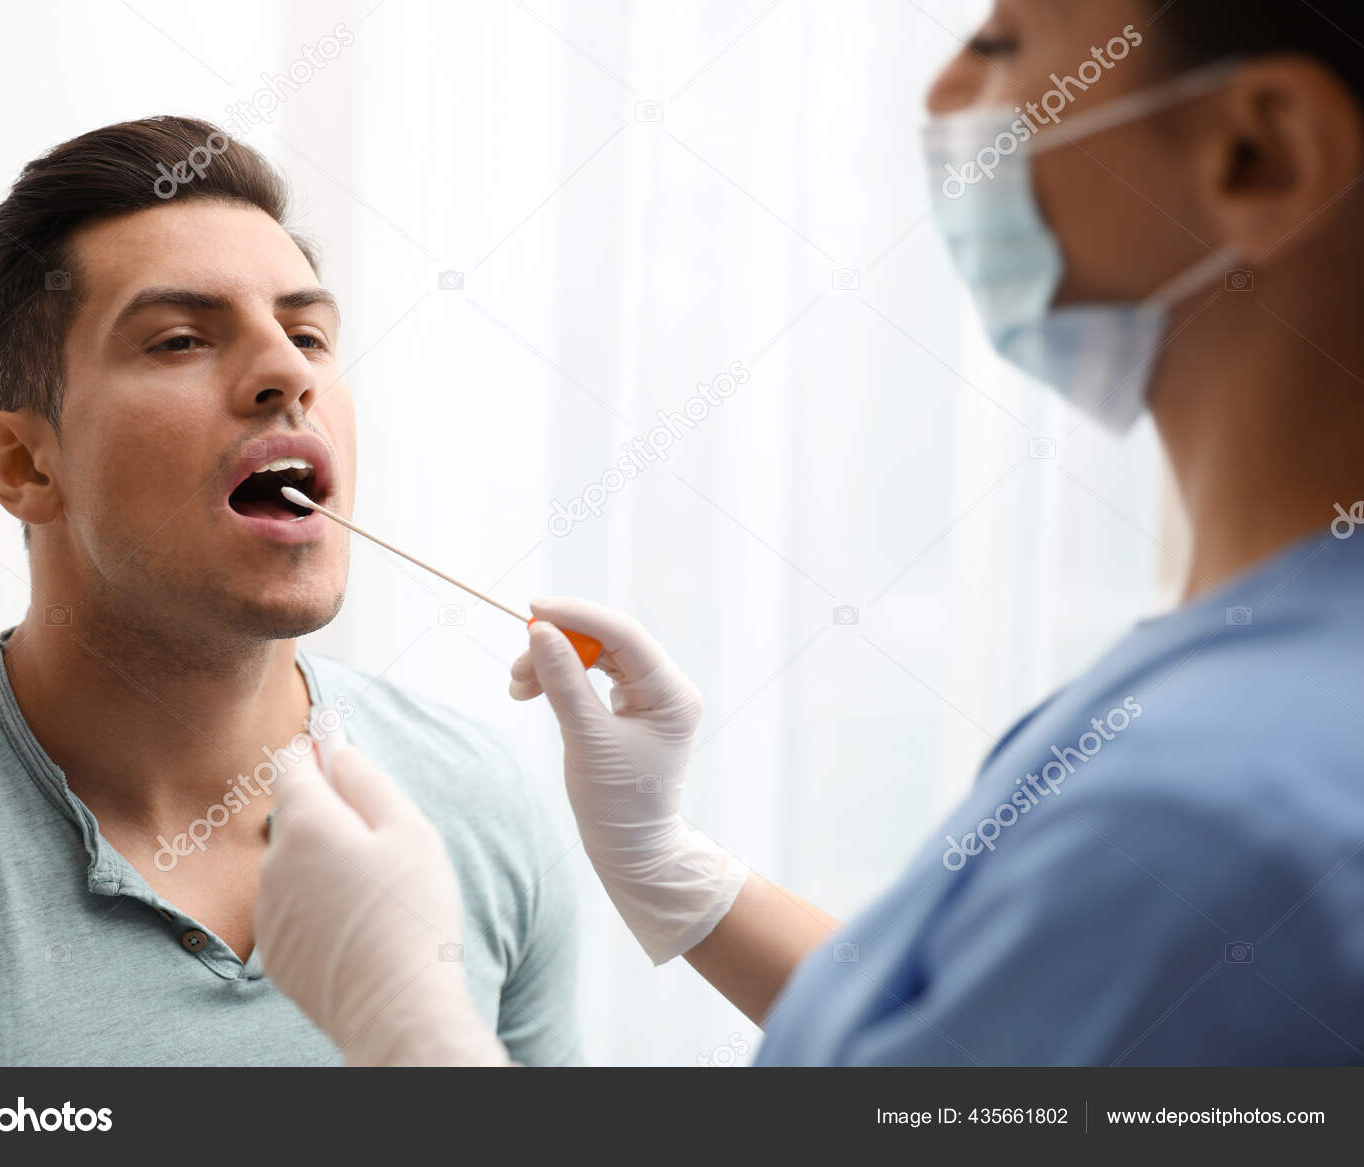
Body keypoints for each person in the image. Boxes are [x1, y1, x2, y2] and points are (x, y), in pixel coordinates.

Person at [252, 0, 1364, 1065]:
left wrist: (411, 1034)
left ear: (1255, 153)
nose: (944, 89)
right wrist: (679, 876)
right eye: (172, 342)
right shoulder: (1255, 708)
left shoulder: (1221, 821)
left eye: (1006, 36)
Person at [0, 117, 579, 1067]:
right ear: (26, 464)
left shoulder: (483, 808)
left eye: (308, 333)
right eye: (183, 340)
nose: (287, 373)